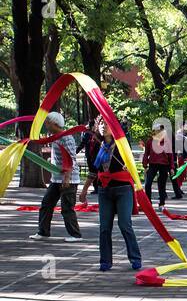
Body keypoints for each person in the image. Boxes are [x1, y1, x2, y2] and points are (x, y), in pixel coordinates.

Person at [90, 135, 143, 271]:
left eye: (106, 123)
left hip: (123, 189)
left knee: (124, 224)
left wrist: (129, 166)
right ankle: (105, 261)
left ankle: (135, 258)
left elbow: (131, 164)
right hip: (104, 190)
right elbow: (93, 170)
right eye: (101, 123)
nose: (103, 126)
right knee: (104, 227)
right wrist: (84, 191)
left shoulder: (122, 143)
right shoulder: (97, 145)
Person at [30, 111, 82, 242]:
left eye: (47, 122)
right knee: (46, 204)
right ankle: (43, 232)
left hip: (68, 178)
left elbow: (72, 158)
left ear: (54, 123)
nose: (46, 125)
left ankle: (75, 235)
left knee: (67, 207)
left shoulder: (66, 137)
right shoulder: (54, 137)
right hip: (57, 178)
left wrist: (67, 177)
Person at [142, 125, 172, 208]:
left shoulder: (166, 142)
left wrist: (172, 167)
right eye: (157, 130)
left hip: (164, 165)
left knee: (161, 185)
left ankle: (162, 203)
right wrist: (145, 165)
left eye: (161, 130)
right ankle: (149, 202)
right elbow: (146, 154)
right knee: (148, 184)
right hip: (153, 164)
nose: (159, 132)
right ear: (154, 131)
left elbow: (170, 155)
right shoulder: (150, 141)